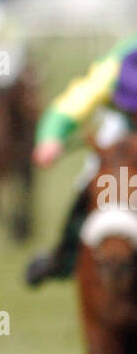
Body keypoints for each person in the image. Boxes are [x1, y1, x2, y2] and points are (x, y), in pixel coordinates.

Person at [25, 38, 137, 286]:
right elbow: (68, 107)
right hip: (121, 132)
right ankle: (64, 256)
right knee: (93, 180)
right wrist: (50, 138)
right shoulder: (111, 70)